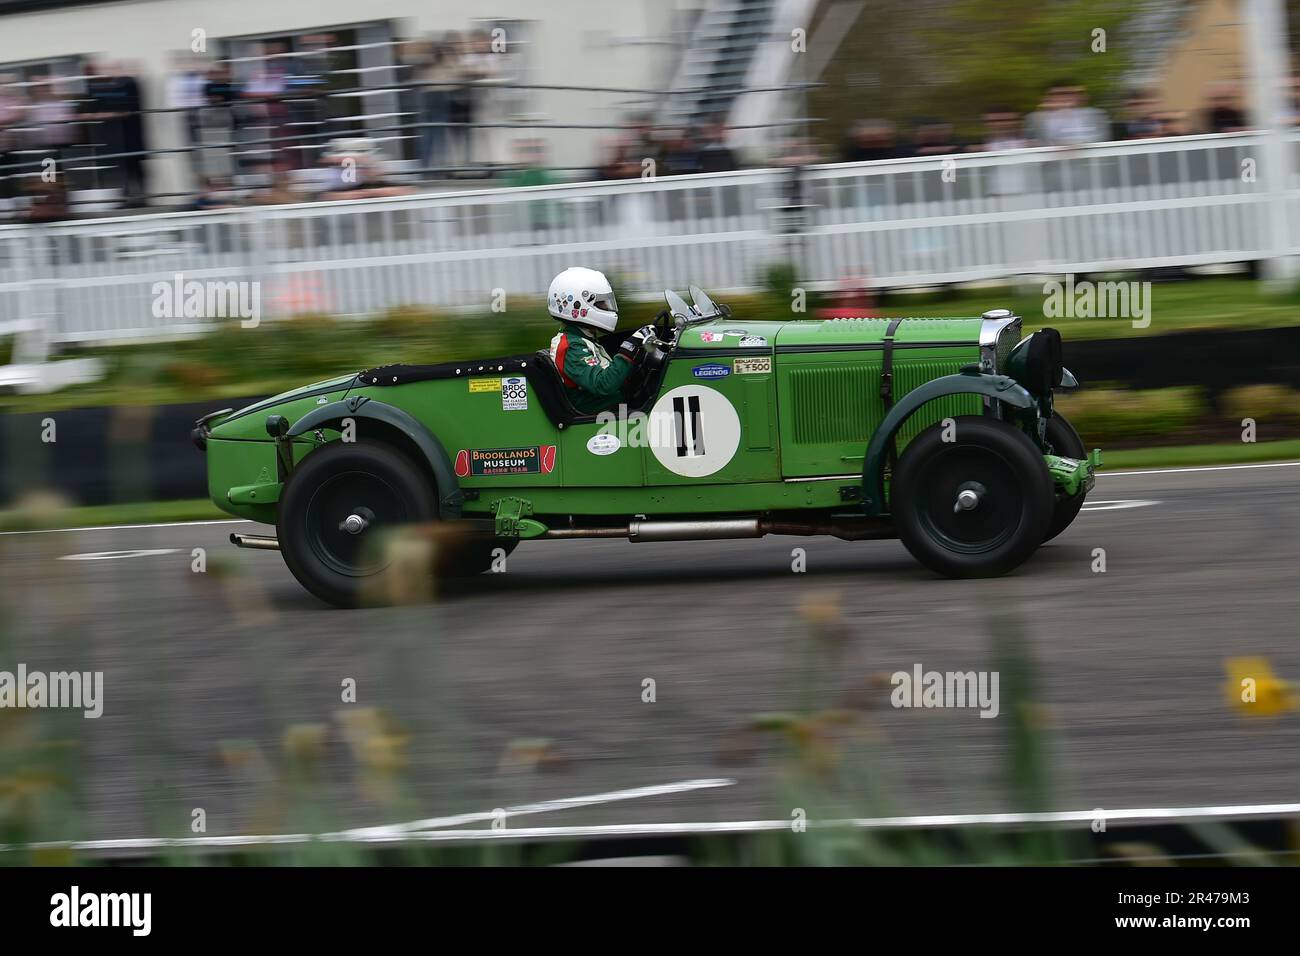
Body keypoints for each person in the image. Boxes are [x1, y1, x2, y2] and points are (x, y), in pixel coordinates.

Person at [545, 267, 654, 414]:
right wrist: (629, 349)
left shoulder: (583, 339)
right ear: (577, 306)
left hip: (611, 406)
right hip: (594, 416)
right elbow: (603, 384)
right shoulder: (571, 346)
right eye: (601, 304)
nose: (607, 308)